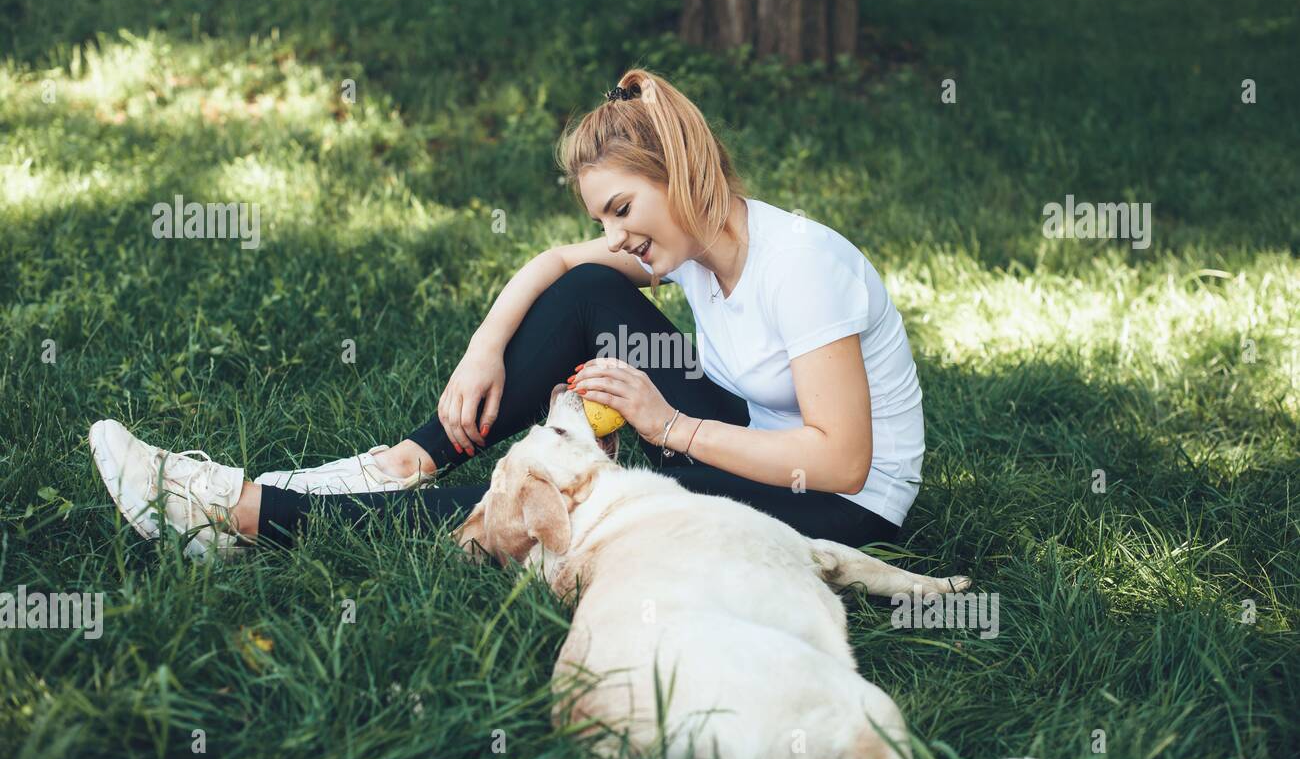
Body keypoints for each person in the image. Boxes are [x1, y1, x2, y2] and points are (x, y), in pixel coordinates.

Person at [89, 69, 925, 560]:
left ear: (681, 171)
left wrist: (668, 426)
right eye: (603, 217)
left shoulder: (799, 265)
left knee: (592, 493)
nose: (616, 235)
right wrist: (482, 350)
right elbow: (560, 266)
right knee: (586, 291)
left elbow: (842, 460)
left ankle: (246, 515)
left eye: (623, 208)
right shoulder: (691, 245)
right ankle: (404, 462)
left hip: (846, 505)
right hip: (756, 437)